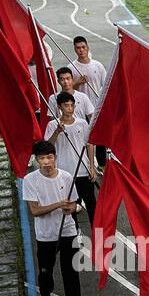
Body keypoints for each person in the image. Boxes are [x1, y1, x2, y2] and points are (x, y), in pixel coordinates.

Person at [23, 140, 88, 296]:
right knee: (45, 273)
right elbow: (34, 210)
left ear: (55, 158)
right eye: (42, 158)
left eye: (50, 157)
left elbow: (74, 204)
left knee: (71, 275)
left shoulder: (67, 177)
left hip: (68, 231)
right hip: (45, 236)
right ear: (36, 161)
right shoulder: (30, 180)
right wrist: (59, 204)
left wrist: (73, 208)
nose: (47, 162)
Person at [43, 93, 96, 221]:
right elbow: (47, 147)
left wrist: (92, 166)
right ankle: (74, 233)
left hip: (83, 171)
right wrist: (57, 131)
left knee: (91, 205)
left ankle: (96, 232)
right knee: (70, 206)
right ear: (59, 107)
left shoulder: (82, 123)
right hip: (64, 173)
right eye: (66, 106)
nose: (70, 109)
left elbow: (89, 144)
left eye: (72, 105)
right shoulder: (52, 125)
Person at [69, 37, 107, 166]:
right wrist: (77, 82)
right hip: (80, 109)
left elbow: (106, 84)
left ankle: (102, 164)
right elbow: (66, 89)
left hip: (96, 107)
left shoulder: (97, 65)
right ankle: (86, 163)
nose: (81, 50)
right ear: (74, 49)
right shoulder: (72, 67)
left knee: (100, 136)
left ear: (88, 47)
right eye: (78, 48)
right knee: (83, 138)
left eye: (83, 47)